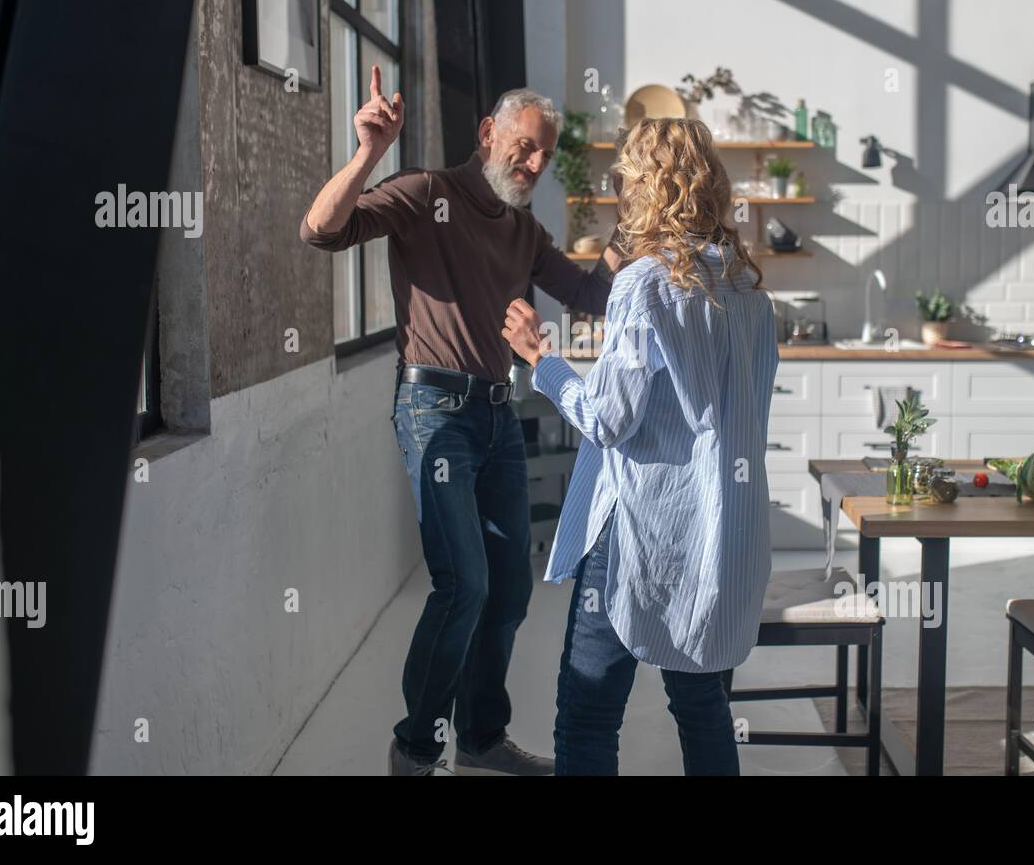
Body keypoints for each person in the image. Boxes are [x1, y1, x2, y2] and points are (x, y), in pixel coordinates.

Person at [300, 66, 625, 775]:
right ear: (488, 134)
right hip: (432, 411)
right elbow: (320, 230)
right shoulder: (425, 194)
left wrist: (630, 222)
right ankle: (416, 746)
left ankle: (479, 739)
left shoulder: (522, 228)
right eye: (526, 147)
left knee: (509, 588)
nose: (536, 164)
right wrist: (367, 155)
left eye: (545, 154)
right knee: (466, 585)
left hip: (497, 414)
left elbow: (590, 295)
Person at [501, 117, 779, 775]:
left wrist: (544, 361)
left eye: (628, 180)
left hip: (640, 532)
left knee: (589, 710)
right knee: (700, 700)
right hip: (716, 534)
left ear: (648, 190)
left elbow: (605, 420)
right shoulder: (750, 292)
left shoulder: (645, 284)